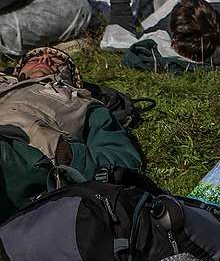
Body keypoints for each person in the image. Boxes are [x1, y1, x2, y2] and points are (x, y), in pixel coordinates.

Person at [0, 47, 143, 222]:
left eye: (56, 61)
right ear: (18, 70)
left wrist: (67, 155)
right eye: (34, 58)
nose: (45, 60)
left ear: (72, 78)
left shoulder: (83, 103)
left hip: (22, 156)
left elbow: (122, 159)